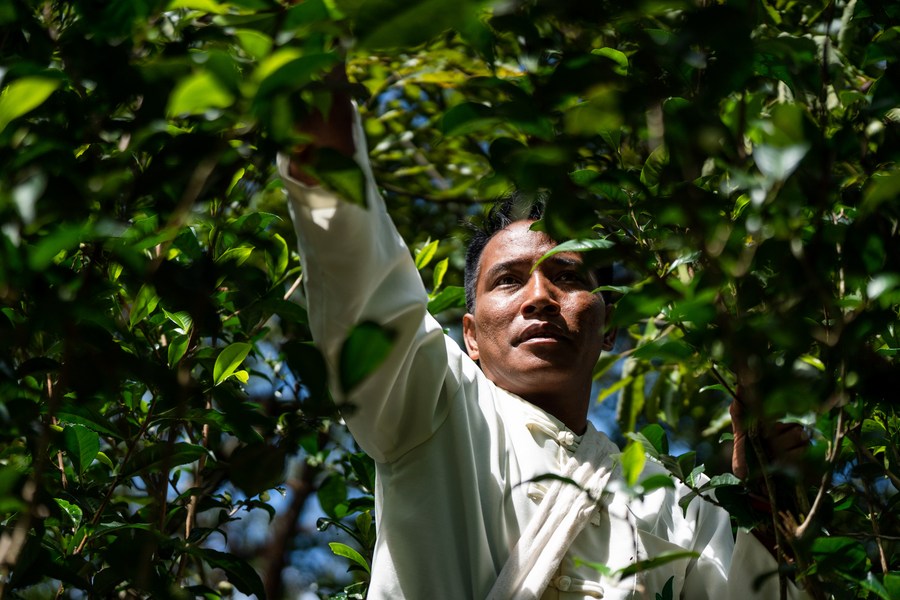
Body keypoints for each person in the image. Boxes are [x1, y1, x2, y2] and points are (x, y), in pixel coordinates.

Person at [280, 85, 808, 599]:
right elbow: (362, 277)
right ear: (469, 336)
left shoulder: (667, 498)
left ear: (611, 325)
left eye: (569, 277)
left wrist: (764, 497)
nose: (539, 297)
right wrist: (320, 116)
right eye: (508, 280)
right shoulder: (433, 403)